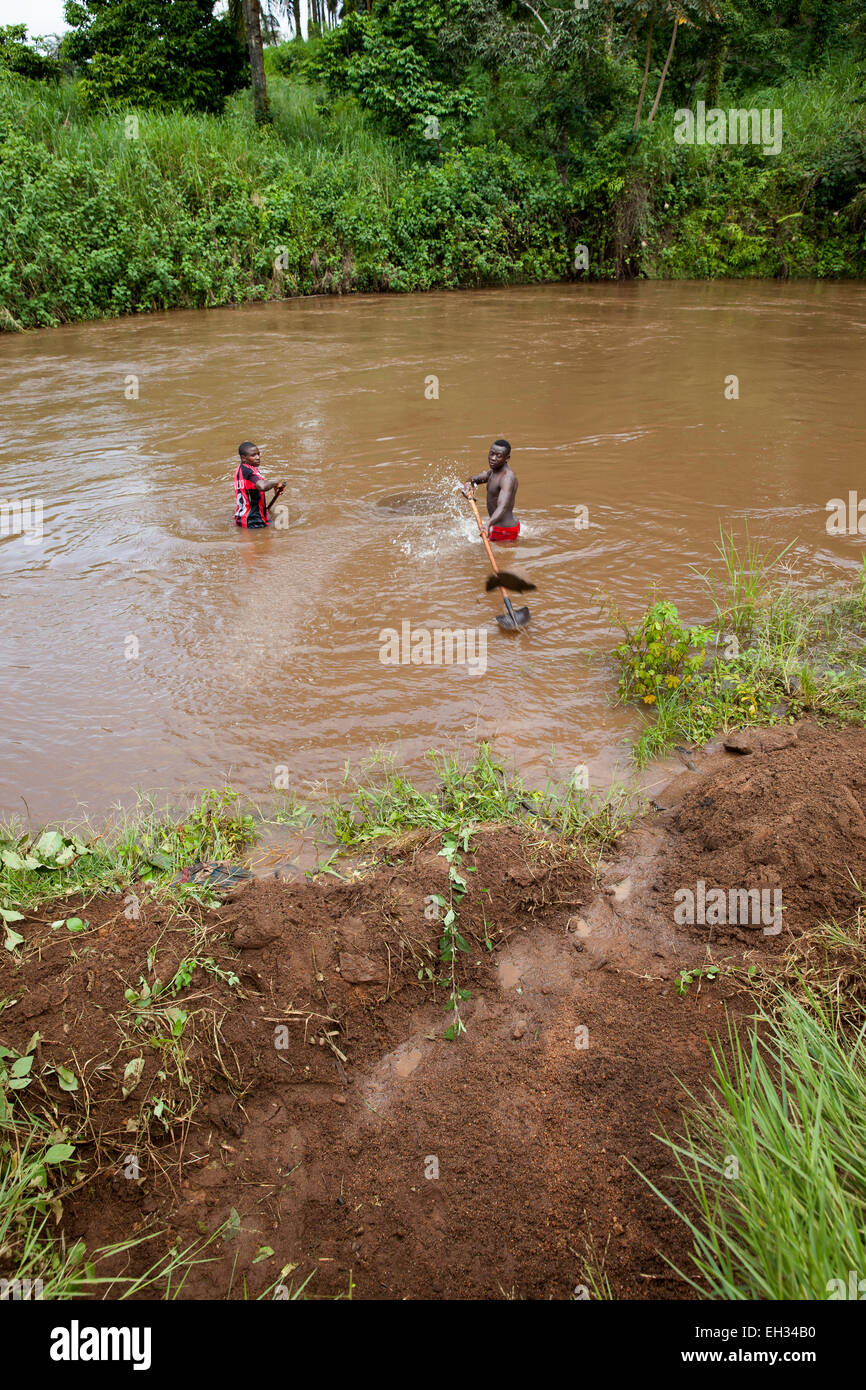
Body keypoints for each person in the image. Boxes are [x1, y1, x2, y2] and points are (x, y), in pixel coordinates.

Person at [462, 439, 519, 541]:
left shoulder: (507, 478)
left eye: (499, 456)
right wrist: (467, 486)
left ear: (507, 458)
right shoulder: (492, 472)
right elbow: (473, 479)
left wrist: (487, 524)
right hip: (499, 526)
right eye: (491, 454)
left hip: (504, 530)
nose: (493, 458)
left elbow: (503, 506)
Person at [234, 442, 285, 529]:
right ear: (243, 458)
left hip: (242, 518)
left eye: (258, 454)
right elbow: (262, 486)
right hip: (253, 522)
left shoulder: (240, 469)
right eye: (253, 455)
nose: (258, 458)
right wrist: (276, 483)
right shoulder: (249, 472)